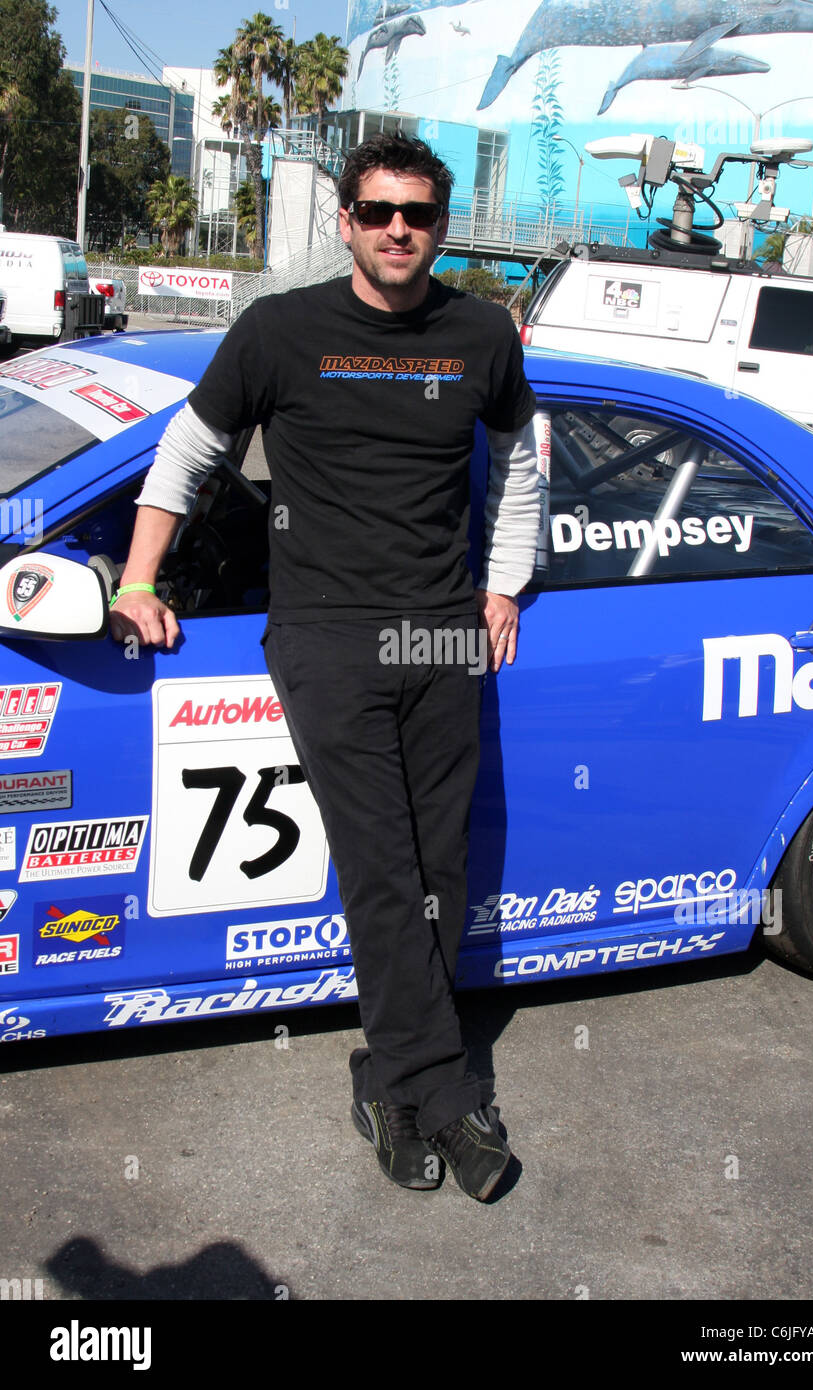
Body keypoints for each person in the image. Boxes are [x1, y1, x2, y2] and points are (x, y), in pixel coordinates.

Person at [109, 131, 540, 1202]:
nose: (401, 229)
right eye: (380, 211)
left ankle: (386, 1080)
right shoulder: (279, 330)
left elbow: (524, 458)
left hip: (441, 629)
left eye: (421, 215)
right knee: (383, 868)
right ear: (345, 223)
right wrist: (136, 578)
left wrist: (503, 581)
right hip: (325, 632)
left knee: (438, 868)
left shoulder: (481, 334)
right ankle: (446, 1097)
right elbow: (189, 451)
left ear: (441, 228)